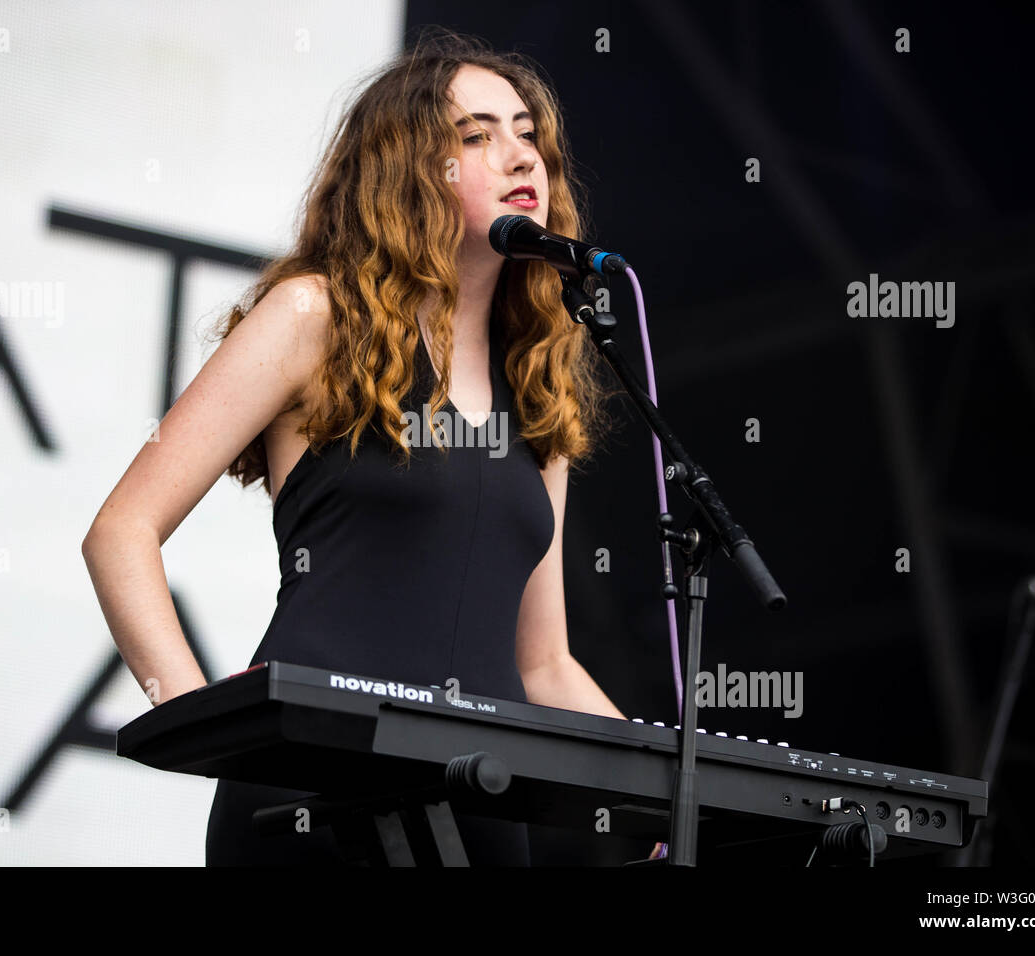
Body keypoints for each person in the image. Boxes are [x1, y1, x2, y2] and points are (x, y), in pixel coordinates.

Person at [82, 29, 630, 866]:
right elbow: (121, 532)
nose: (522, 158)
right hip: (313, 789)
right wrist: (202, 720)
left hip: (481, 806)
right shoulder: (315, 317)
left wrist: (680, 787)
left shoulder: (535, 383)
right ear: (408, 168)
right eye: (477, 135)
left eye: (529, 135)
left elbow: (544, 664)